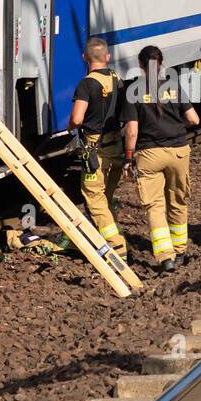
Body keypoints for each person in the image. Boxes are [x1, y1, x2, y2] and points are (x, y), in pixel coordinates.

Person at [122, 46, 200, 273]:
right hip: (178, 152)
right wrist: (174, 126)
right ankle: (180, 251)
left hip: (149, 155)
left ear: (140, 64)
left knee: (154, 206)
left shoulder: (133, 90)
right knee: (178, 201)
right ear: (162, 62)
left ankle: (166, 258)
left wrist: (128, 158)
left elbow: (132, 132)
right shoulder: (174, 86)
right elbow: (194, 119)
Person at [70, 38, 128, 257]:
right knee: (106, 198)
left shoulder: (86, 84)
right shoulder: (117, 79)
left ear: (84, 58)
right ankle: (108, 236)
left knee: (94, 196)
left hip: (95, 150)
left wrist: (70, 127)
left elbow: (77, 119)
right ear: (107, 57)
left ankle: (116, 246)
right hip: (116, 147)